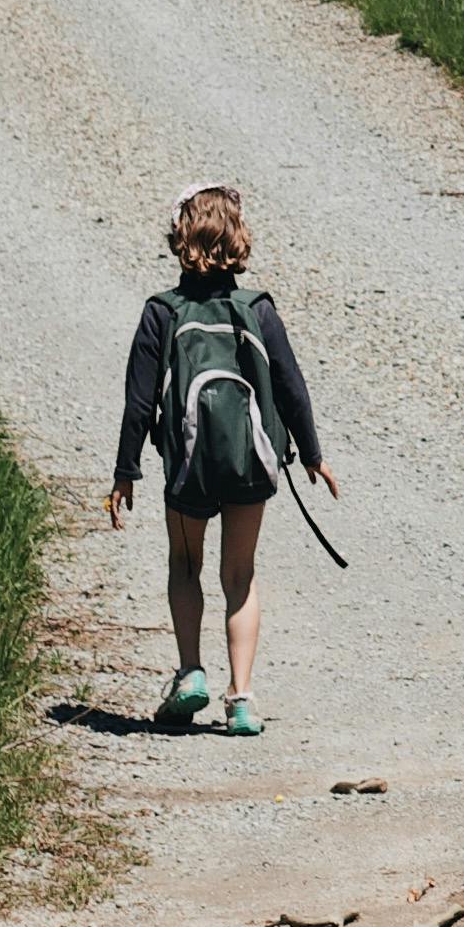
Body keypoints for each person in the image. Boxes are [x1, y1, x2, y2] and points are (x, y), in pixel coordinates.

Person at [104, 182, 336, 735]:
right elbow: (290, 384)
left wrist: (125, 472)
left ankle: (189, 675)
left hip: (188, 468)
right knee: (240, 574)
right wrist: (311, 453)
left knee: (186, 566)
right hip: (250, 464)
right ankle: (241, 700)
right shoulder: (256, 308)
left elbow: (139, 401)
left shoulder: (162, 311)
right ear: (236, 237)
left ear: (181, 236)